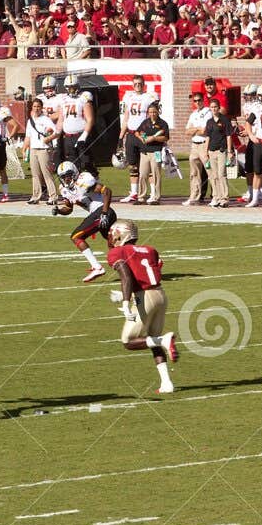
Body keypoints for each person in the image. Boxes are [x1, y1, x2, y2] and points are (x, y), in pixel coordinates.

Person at [105, 220, 178, 395]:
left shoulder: (118, 251)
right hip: (160, 295)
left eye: (113, 232)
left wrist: (125, 301)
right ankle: (167, 383)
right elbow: (151, 270)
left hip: (144, 297)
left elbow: (126, 275)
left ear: (121, 234)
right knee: (151, 339)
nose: (110, 236)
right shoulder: (150, 250)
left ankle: (164, 340)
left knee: (128, 341)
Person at [56, 160, 116, 283]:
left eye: (68, 175)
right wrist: (59, 211)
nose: (66, 179)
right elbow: (69, 209)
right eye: (63, 177)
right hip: (98, 213)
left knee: (76, 236)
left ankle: (97, 267)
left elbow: (107, 191)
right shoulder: (64, 189)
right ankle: (142, 259)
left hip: (103, 211)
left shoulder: (83, 180)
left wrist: (104, 213)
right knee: (115, 244)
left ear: (74, 173)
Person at [119, 73, 153, 204]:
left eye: (140, 84)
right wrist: (121, 136)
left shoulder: (148, 98)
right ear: (132, 85)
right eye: (135, 84)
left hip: (143, 134)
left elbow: (153, 117)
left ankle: (152, 192)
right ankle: (134, 192)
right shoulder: (129, 97)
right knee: (132, 165)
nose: (137, 86)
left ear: (143, 85)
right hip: (131, 134)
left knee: (148, 165)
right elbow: (126, 118)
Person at [238, 84, 262, 207]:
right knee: (251, 167)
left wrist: (249, 132)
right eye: (246, 95)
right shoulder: (249, 107)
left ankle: (261, 191)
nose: (247, 98)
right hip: (255, 140)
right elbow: (249, 123)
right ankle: (252, 192)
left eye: (250, 95)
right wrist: (248, 133)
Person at [24, 95, 58, 204]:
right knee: (35, 174)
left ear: (41, 107)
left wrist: (48, 139)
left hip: (44, 149)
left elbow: (56, 132)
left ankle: (53, 197)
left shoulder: (46, 119)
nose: (36, 108)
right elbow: (28, 136)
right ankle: (36, 196)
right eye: (34, 106)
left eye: (38, 106)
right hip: (34, 148)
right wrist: (25, 147)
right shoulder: (30, 121)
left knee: (46, 173)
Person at [134, 100, 170, 204]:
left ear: (158, 112)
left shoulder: (163, 124)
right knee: (143, 174)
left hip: (156, 152)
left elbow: (165, 138)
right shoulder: (145, 122)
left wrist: (154, 138)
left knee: (156, 174)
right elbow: (137, 132)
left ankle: (156, 197)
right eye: (150, 112)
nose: (152, 114)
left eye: (154, 112)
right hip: (144, 152)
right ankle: (141, 197)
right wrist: (142, 138)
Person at [182, 89, 213, 206]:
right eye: (195, 101)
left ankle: (216, 196)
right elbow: (187, 131)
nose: (197, 102)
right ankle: (194, 196)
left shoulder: (207, 112)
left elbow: (205, 130)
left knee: (210, 172)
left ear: (203, 100)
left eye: (199, 100)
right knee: (194, 173)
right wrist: (196, 129)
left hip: (204, 144)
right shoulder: (193, 114)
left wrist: (194, 130)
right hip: (194, 145)